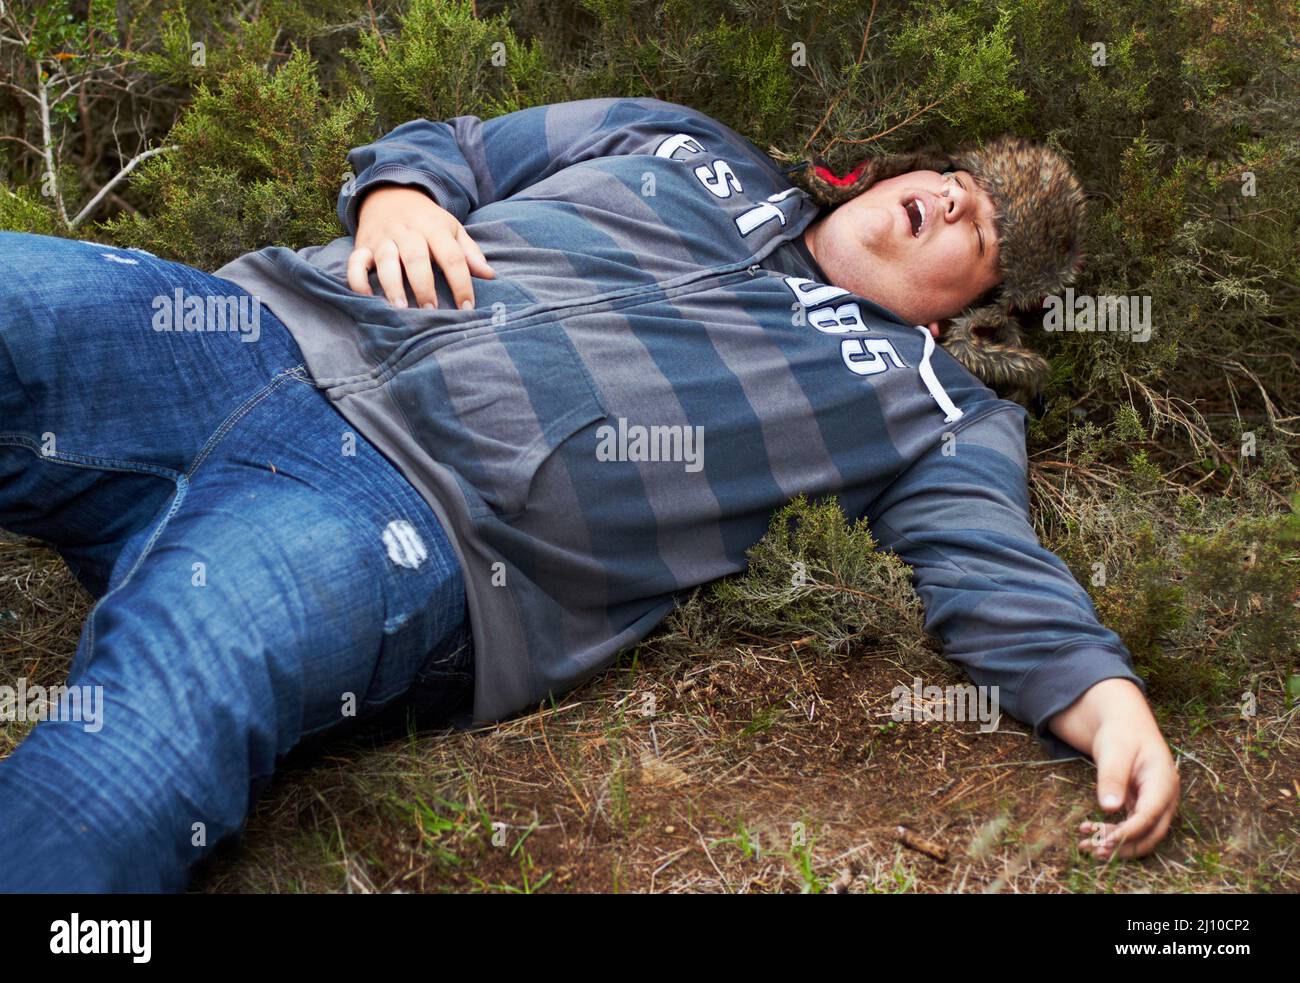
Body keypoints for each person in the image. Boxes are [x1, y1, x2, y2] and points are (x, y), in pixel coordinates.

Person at [0, 96, 1178, 891]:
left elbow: (983, 560)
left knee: (137, 747)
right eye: (959, 179)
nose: (952, 199)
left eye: (979, 230)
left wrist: (1101, 696)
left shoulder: (930, 404)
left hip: (400, 521)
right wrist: (399, 192)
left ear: (968, 310)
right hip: (245, 334)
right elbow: (461, 146)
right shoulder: (682, 142)